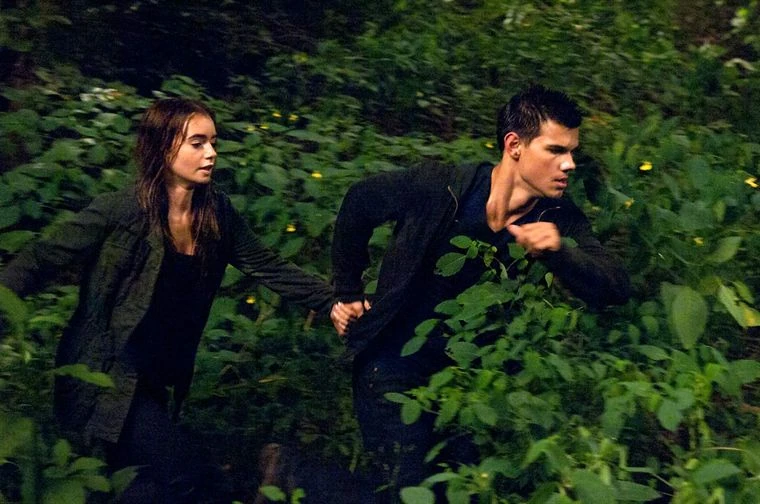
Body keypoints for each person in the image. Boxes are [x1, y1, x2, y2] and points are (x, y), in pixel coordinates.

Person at [0, 98, 349, 503]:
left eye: (213, 142)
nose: (211, 153)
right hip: (105, 375)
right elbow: (41, 258)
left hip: (157, 380)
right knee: (189, 475)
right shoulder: (122, 211)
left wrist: (333, 302)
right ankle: (268, 477)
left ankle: (262, 478)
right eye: (197, 143)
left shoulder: (215, 214)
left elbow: (268, 266)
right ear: (163, 148)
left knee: (142, 489)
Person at [330, 84, 631, 502]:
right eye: (555, 150)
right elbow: (360, 201)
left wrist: (560, 254)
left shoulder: (559, 217)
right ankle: (297, 476)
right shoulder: (442, 187)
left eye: (572, 152)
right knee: (407, 491)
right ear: (514, 146)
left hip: (472, 384)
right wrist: (346, 291)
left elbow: (615, 287)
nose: (569, 164)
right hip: (392, 366)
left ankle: (295, 473)